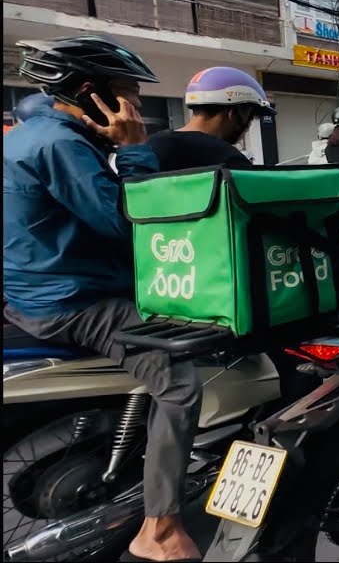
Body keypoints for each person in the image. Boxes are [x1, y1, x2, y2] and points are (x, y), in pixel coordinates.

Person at [3, 35, 201, 562]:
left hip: (34, 289)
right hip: (73, 299)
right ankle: (159, 528)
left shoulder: (36, 131)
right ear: (91, 92)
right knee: (180, 382)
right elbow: (132, 224)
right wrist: (135, 149)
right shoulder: (60, 145)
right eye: (126, 95)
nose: (133, 107)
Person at [147, 67, 275, 171]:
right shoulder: (228, 159)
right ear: (233, 114)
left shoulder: (152, 146)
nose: (248, 127)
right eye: (250, 117)